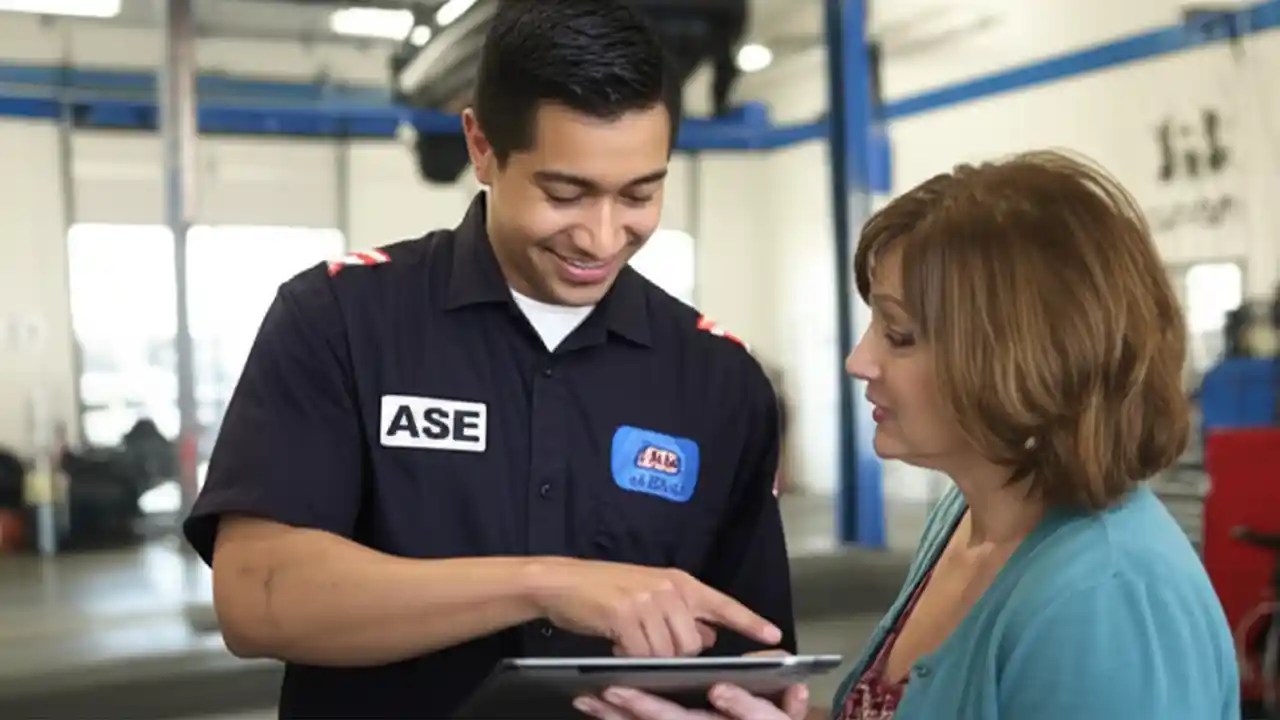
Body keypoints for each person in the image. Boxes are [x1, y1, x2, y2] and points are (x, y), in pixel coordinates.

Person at [182, 2, 795, 718]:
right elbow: (257, 596)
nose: (601, 238)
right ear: (480, 146)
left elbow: (752, 646)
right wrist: (544, 584)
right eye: (564, 193)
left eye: (639, 194)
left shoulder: (719, 380)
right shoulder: (339, 320)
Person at [576, 151, 1241, 720]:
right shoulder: (967, 517)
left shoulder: (1109, 601)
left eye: (898, 335)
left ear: (1021, 356)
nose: (859, 361)